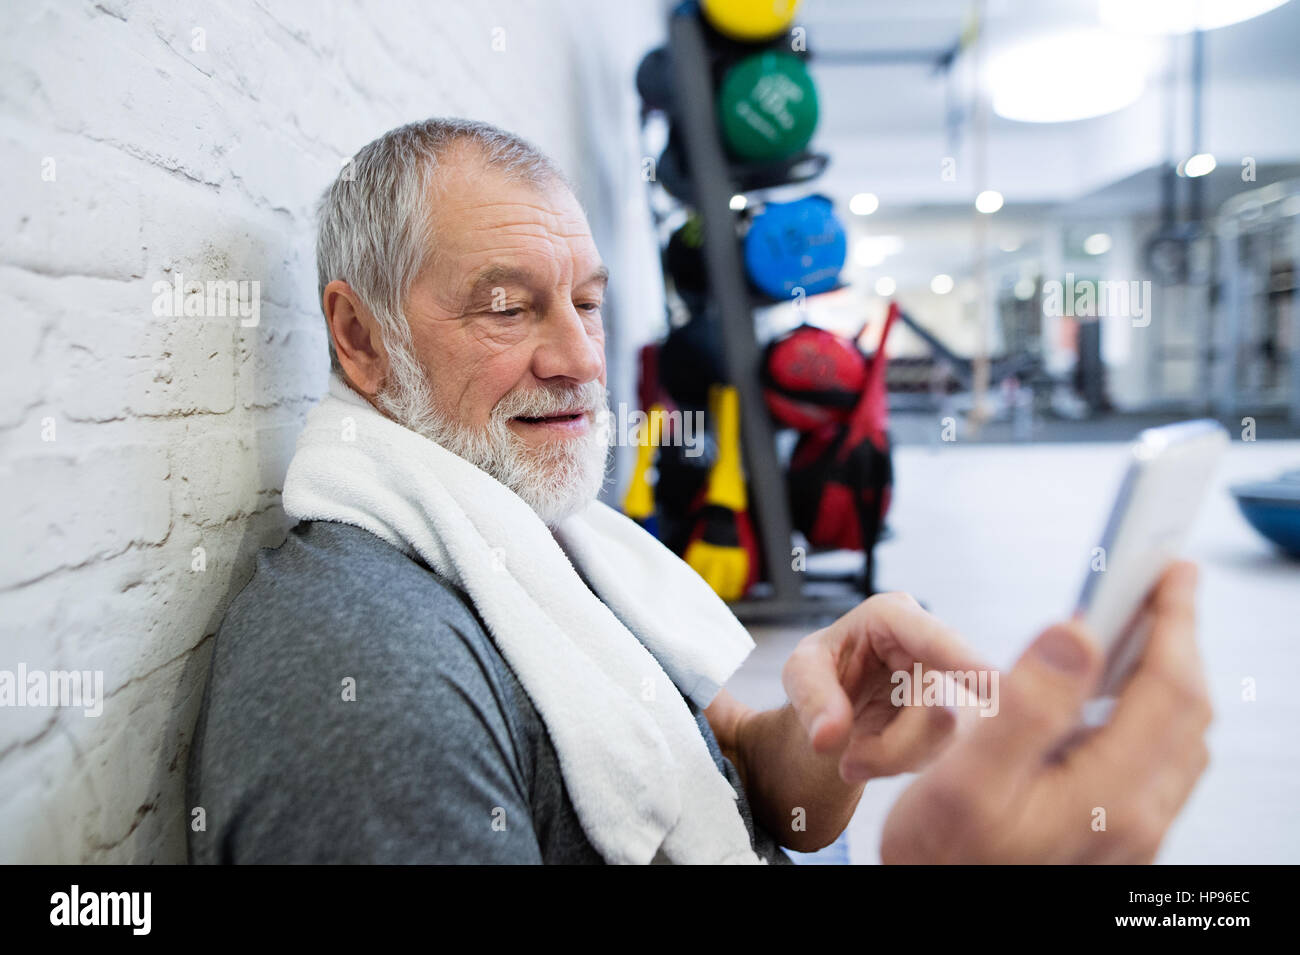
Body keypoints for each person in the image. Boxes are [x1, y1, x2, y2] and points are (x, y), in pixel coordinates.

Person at [186, 118, 1211, 864]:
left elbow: (740, 771)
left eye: (587, 303)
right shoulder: (366, 675)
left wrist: (826, 737)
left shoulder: (548, 541)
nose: (580, 359)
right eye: (507, 307)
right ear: (360, 337)